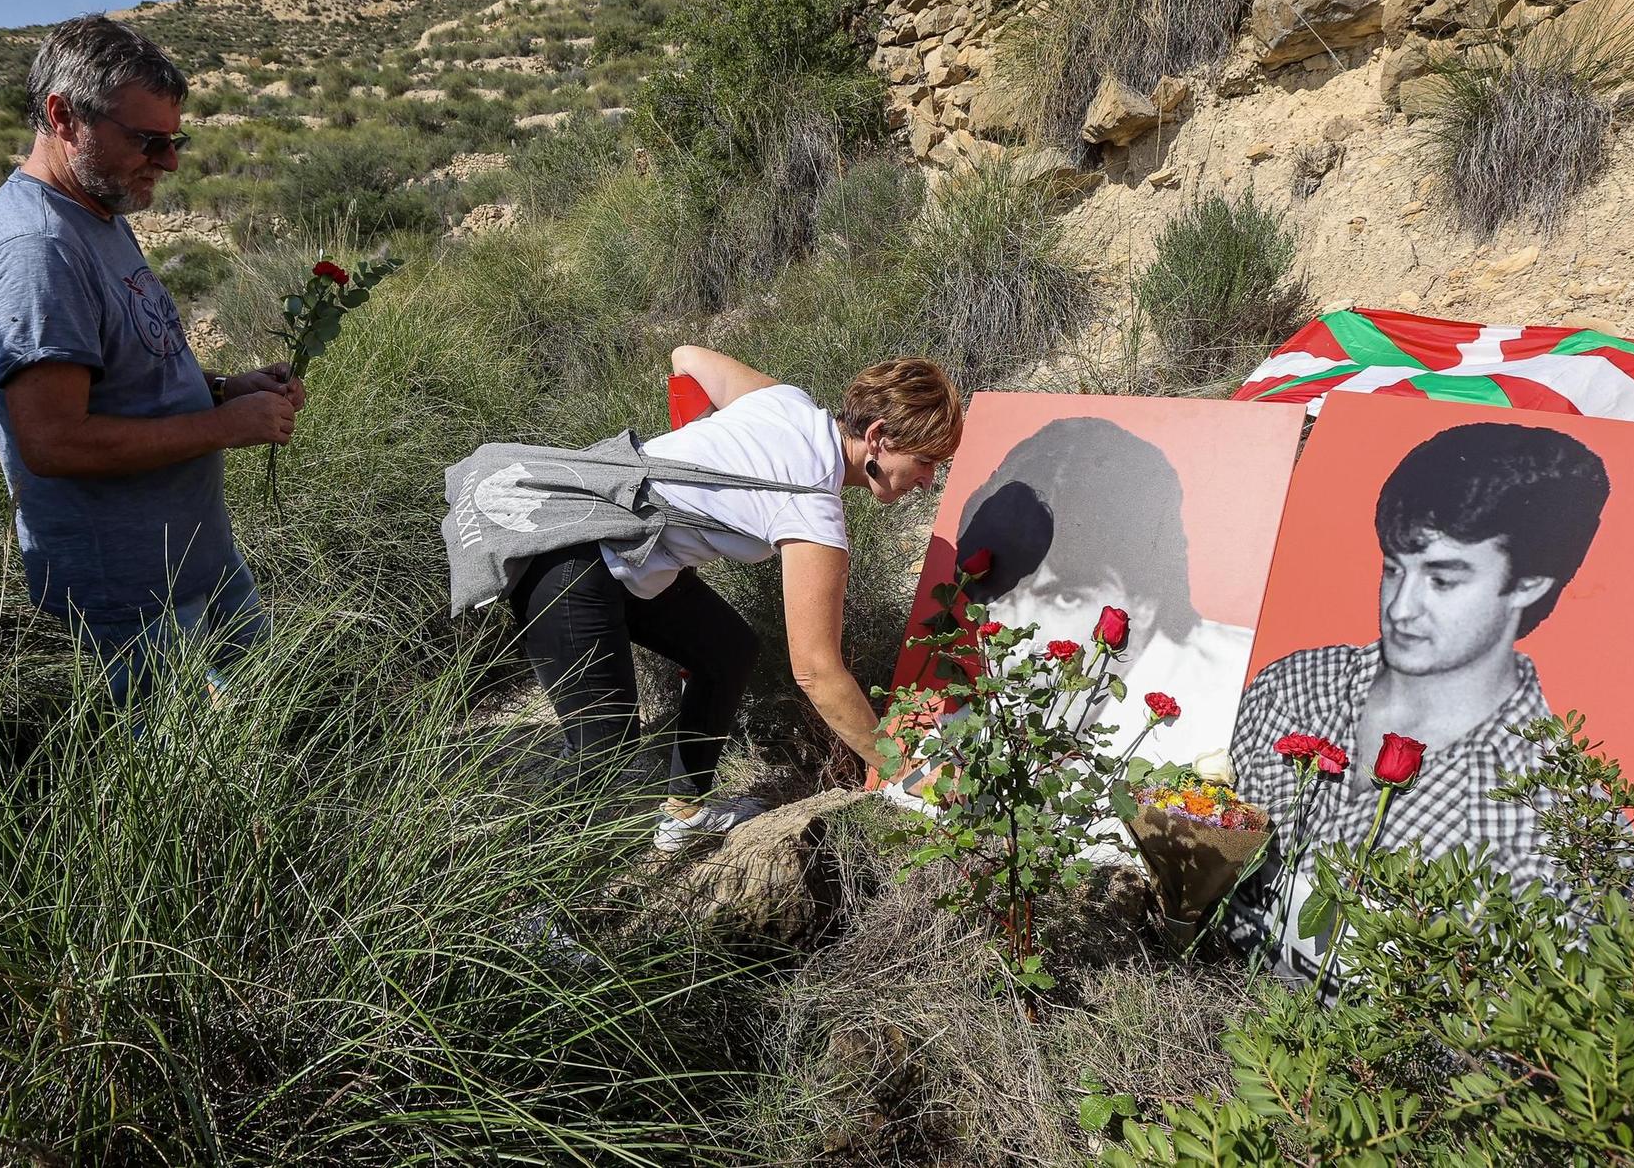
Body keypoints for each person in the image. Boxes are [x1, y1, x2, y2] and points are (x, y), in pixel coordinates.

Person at [0, 14, 303, 704]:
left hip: (192, 556)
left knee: (268, 726)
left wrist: (225, 390)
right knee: (177, 784)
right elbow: (53, 441)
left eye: (176, 140)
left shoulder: (96, 212)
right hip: (129, 590)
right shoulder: (36, 250)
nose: (168, 161)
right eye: (147, 141)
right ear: (64, 116)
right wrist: (226, 428)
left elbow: (125, 374)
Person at [497, 347, 962, 852]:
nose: (927, 480)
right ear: (876, 439)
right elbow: (817, 672)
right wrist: (904, 771)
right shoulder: (811, 507)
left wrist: (698, 460)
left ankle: (685, 813)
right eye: (925, 461)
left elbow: (685, 357)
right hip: (565, 557)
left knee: (728, 651)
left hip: (620, 548)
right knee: (602, 746)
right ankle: (526, 909)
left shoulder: (786, 402)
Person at [1228, 421, 1611, 978]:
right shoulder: (1295, 685)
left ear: (1529, 584)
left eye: (1444, 579)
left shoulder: (1550, 811)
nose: (1401, 608)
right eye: (1392, 569)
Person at [951, 416, 1252, 767]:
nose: (1017, 650)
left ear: (1144, 602)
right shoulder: (963, 730)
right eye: (999, 598)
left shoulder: (1235, 694)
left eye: (1064, 598)